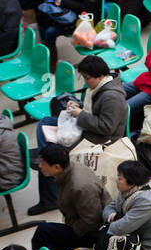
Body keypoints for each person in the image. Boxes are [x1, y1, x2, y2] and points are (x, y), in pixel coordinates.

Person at [30, 55, 127, 214]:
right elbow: (94, 110)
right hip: (88, 127)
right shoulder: (98, 88)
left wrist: (80, 114)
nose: (85, 82)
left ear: (100, 76)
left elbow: (106, 128)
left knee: (50, 156)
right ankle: (45, 154)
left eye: (87, 78)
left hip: (101, 139)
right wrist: (79, 106)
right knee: (45, 122)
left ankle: (49, 196)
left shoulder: (111, 97)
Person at [30, 144, 109, 250]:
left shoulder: (79, 186)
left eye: (43, 163)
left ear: (56, 167)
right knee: (49, 241)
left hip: (96, 232)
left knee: (44, 234)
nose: (40, 166)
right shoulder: (68, 170)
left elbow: (92, 222)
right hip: (81, 222)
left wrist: (71, 227)